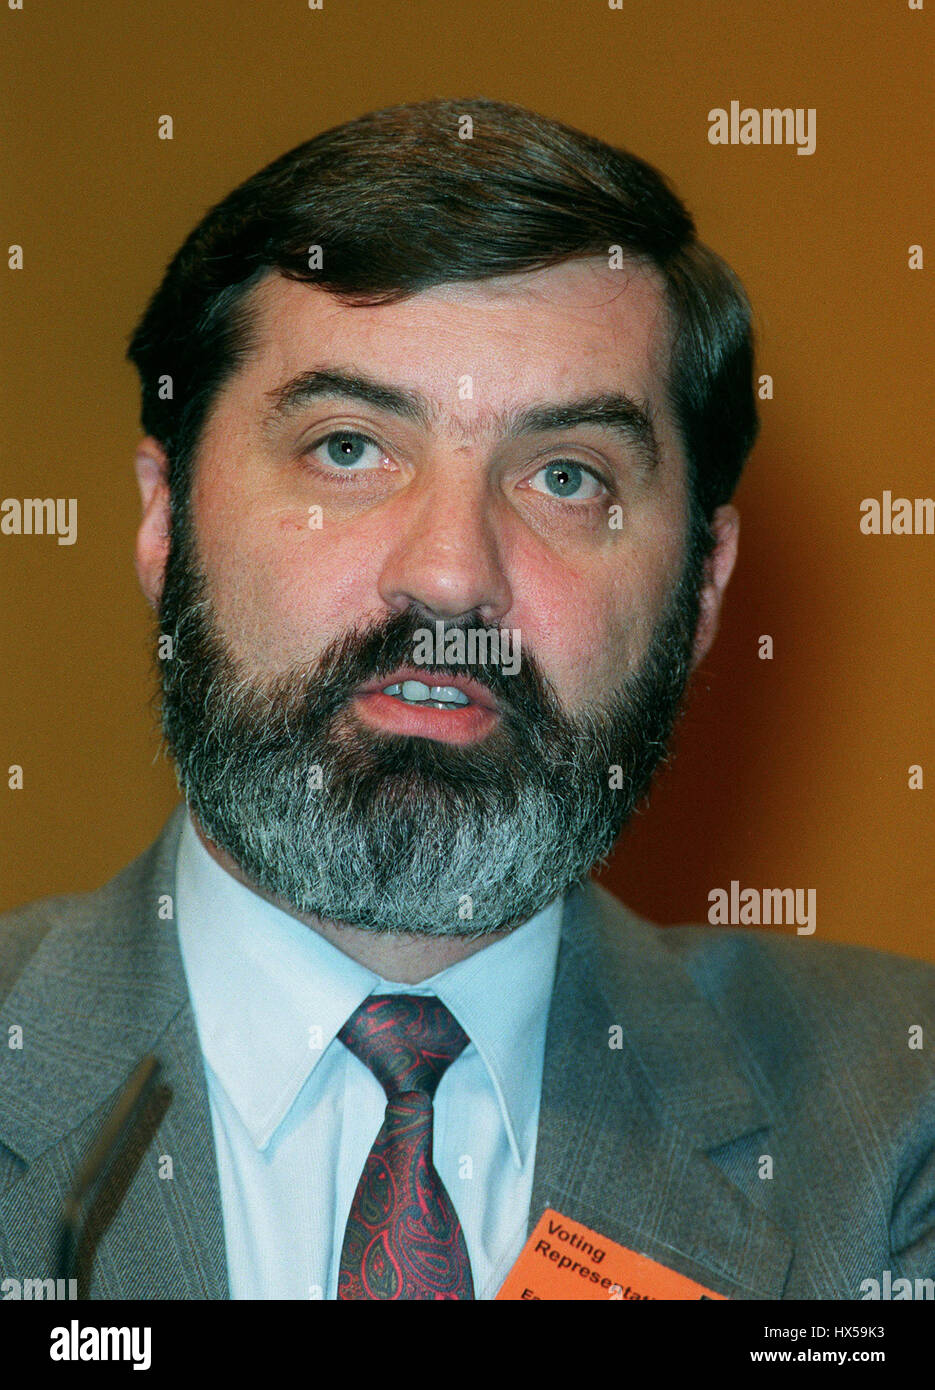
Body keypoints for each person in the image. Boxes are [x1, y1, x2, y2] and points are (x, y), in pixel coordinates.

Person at [1, 97, 932, 1302]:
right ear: (165, 516)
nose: (449, 572)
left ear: (702, 588)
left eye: (563, 476)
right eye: (348, 447)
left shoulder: (898, 1118)